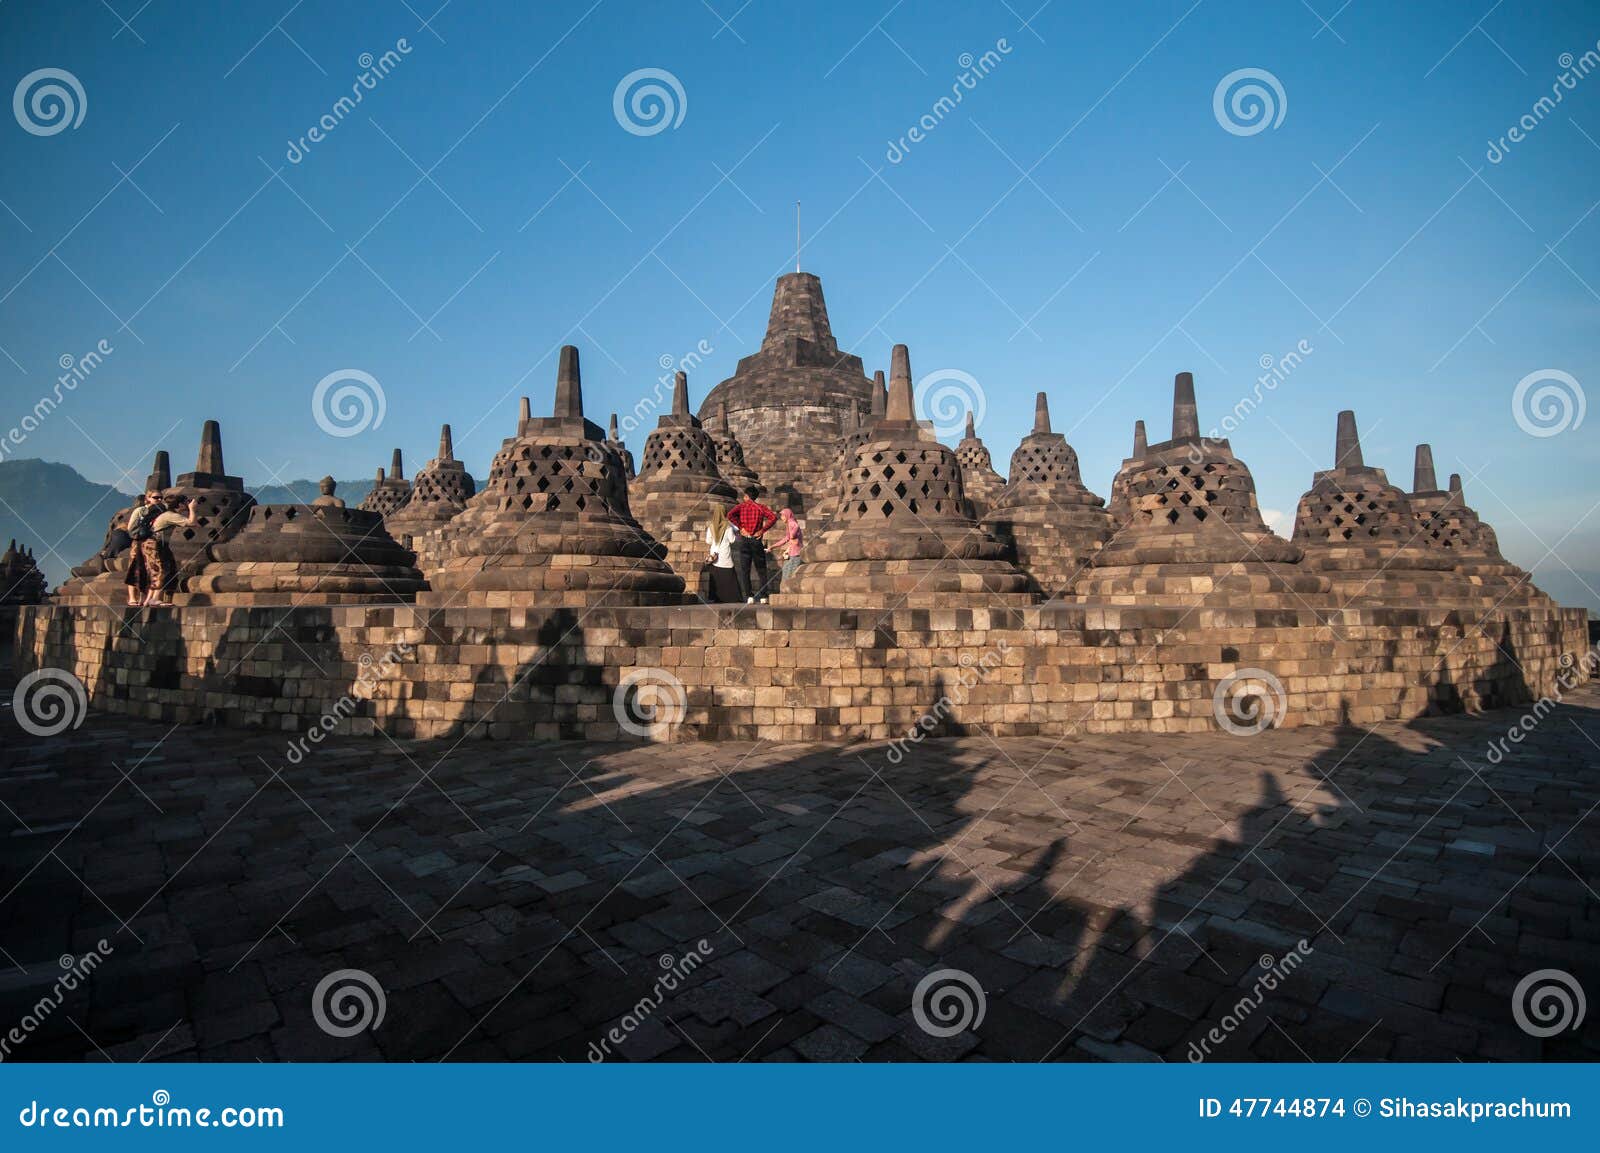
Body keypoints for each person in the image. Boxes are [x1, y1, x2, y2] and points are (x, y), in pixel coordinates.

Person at [130, 492, 198, 607]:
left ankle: (149, 600)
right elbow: (192, 522)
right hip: (155, 545)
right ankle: (154, 599)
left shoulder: (165, 513)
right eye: (185, 503)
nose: (186, 506)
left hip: (151, 544)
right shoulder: (170, 515)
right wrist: (193, 509)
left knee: (159, 570)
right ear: (180, 505)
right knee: (161, 571)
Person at [727, 485, 777, 604]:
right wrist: (762, 530)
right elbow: (773, 517)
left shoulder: (741, 506)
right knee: (761, 569)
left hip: (745, 539)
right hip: (756, 539)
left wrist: (741, 527)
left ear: (746, 496)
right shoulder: (760, 507)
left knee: (745, 569)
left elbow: (730, 515)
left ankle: (749, 596)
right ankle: (764, 596)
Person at [702, 505, 740, 604]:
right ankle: (731, 597)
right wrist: (737, 535)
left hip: (714, 554)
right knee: (729, 575)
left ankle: (716, 597)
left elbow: (708, 541)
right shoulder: (727, 526)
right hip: (724, 553)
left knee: (716, 576)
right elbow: (732, 540)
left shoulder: (711, 526)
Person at [776, 507, 804, 582]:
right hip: (792, 554)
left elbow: (796, 526)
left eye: (782, 516)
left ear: (787, 515)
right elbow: (786, 539)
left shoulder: (791, 522)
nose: (781, 518)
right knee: (786, 572)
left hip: (796, 554)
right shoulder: (789, 524)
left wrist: (792, 535)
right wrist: (772, 547)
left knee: (790, 574)